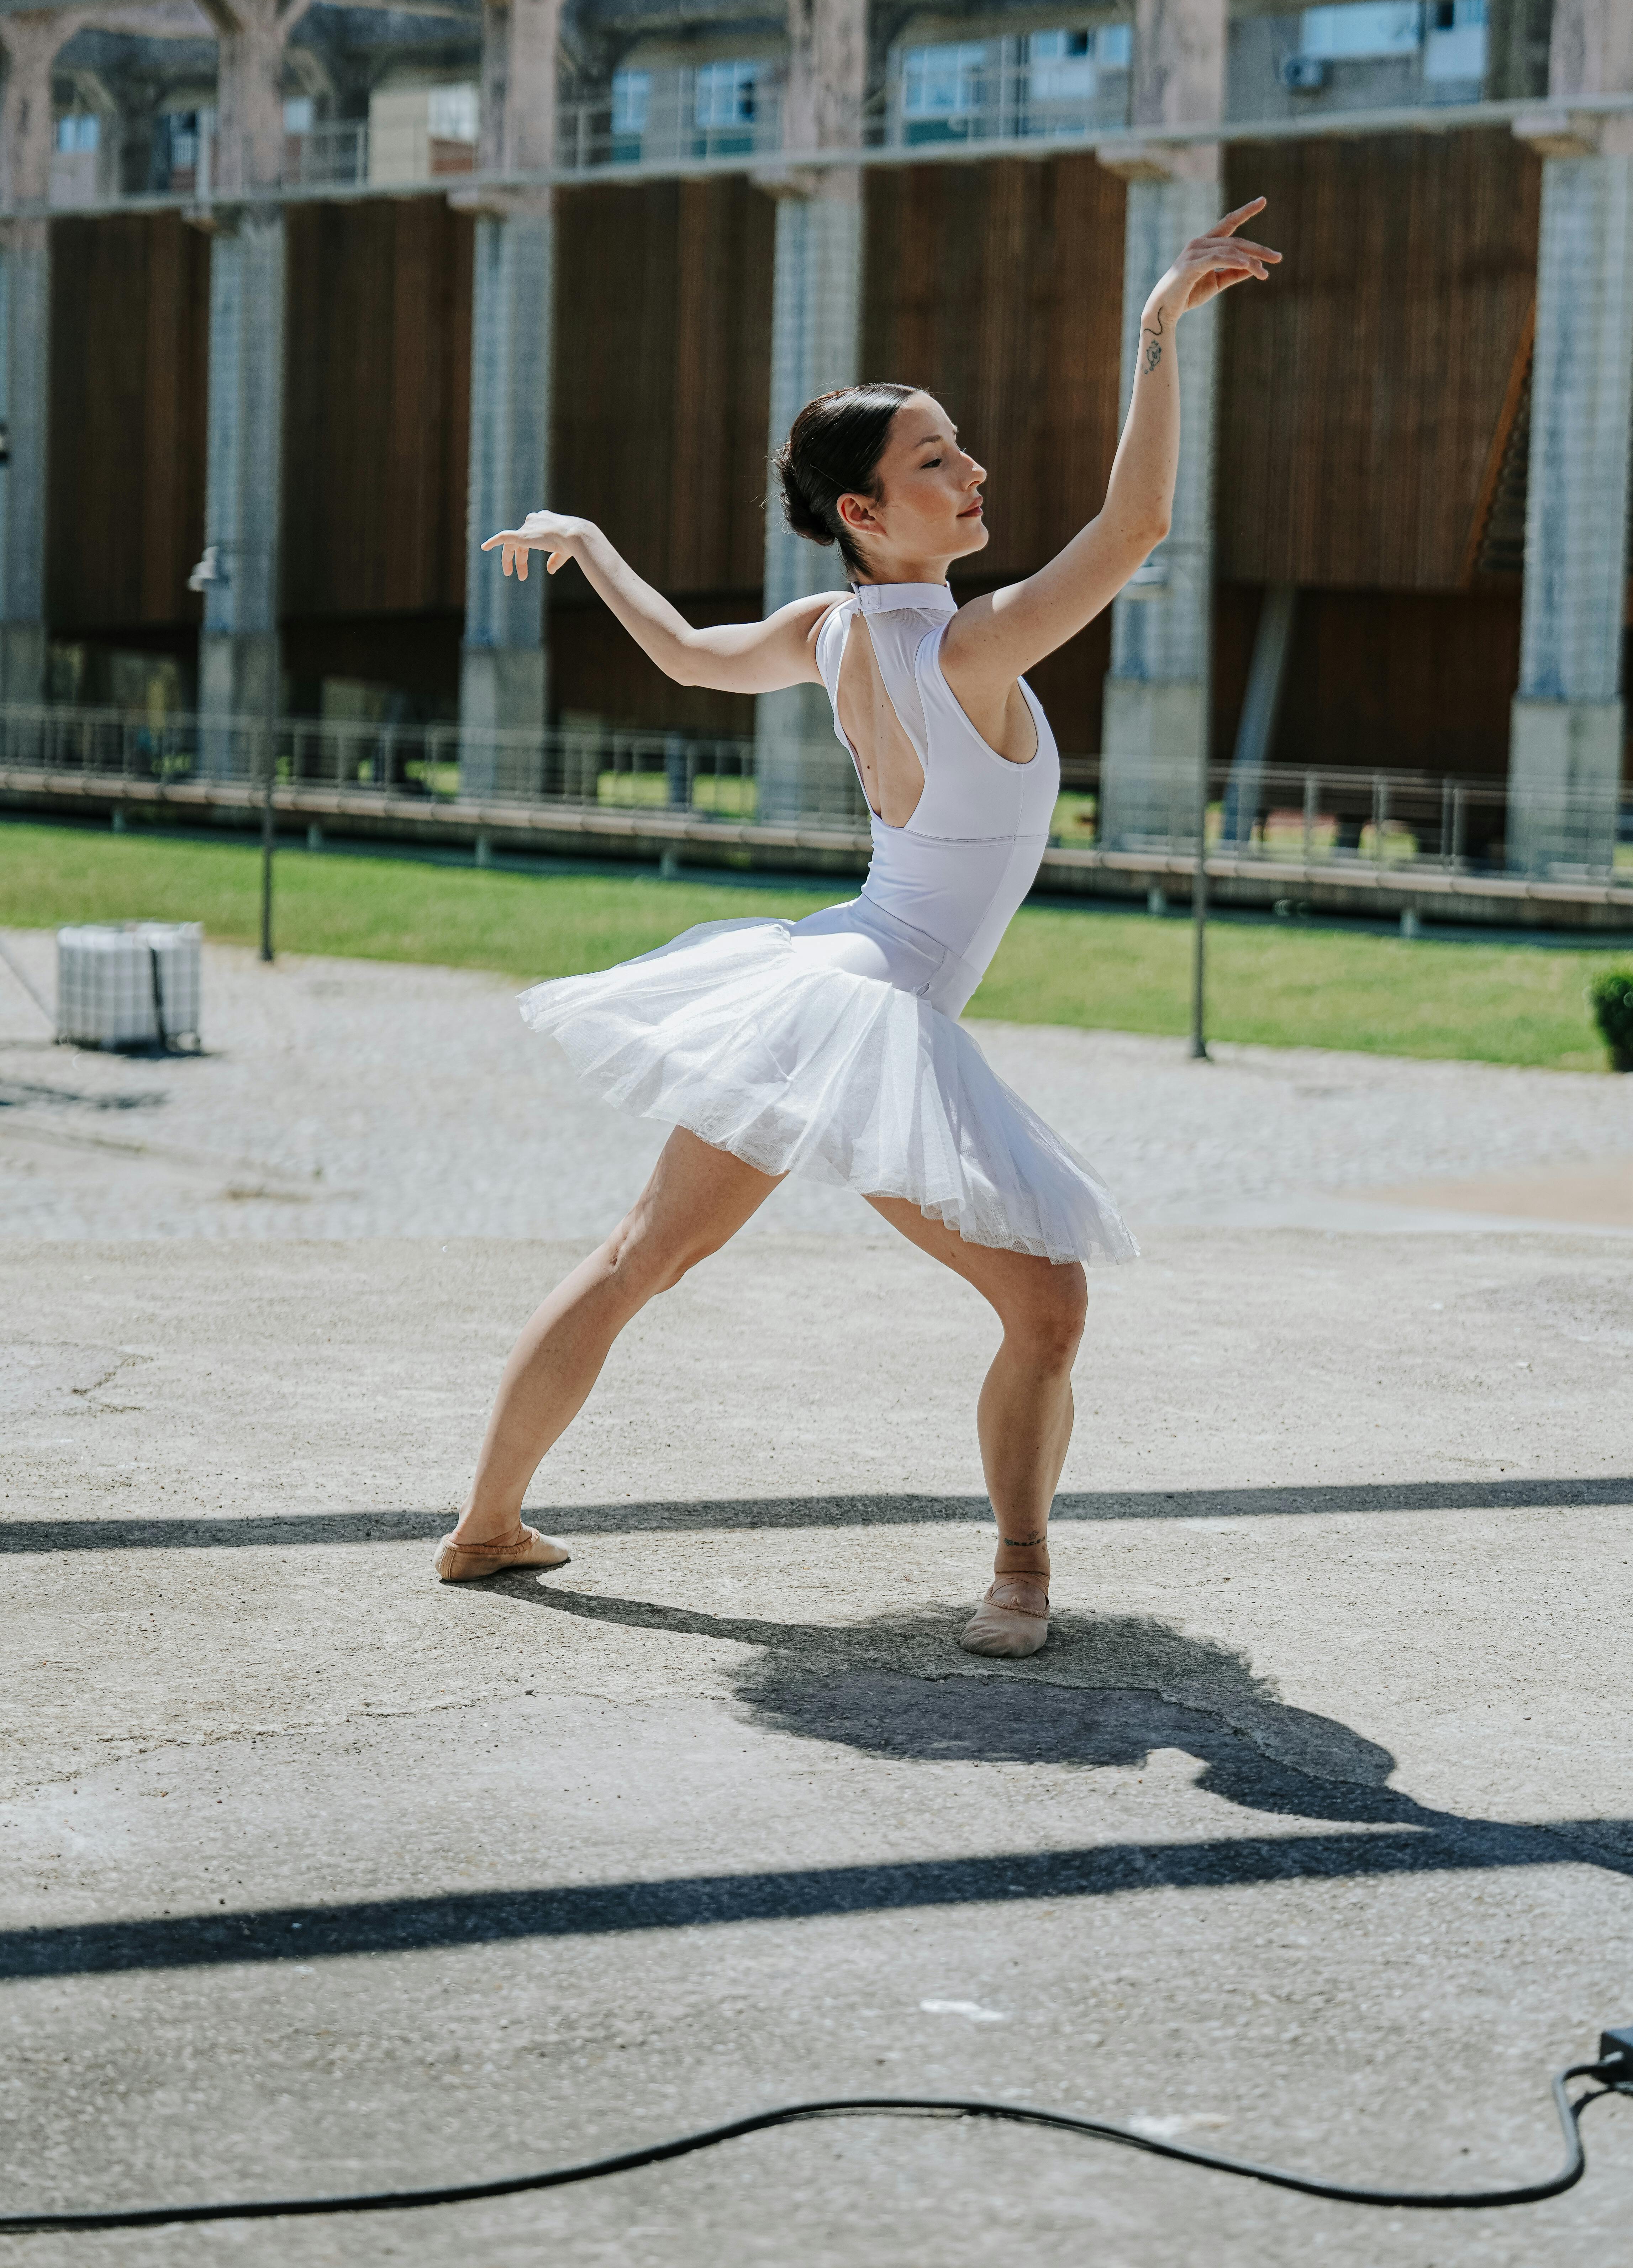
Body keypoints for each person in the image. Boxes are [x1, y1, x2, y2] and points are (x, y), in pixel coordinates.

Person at [434, 200, 1279, 1656]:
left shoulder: (829, 630)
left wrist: (586, 540)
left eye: (960, 447)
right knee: (1049, 1310)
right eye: (934, 460)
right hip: (864, 1002)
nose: (973, 471)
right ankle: (1018, 1576)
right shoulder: (967, 646)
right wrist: (1154, 334)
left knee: (641, 1257)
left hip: (829, 976)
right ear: (864, 517)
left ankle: (485, 1525)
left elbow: (688, 658)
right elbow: (1137, 527)